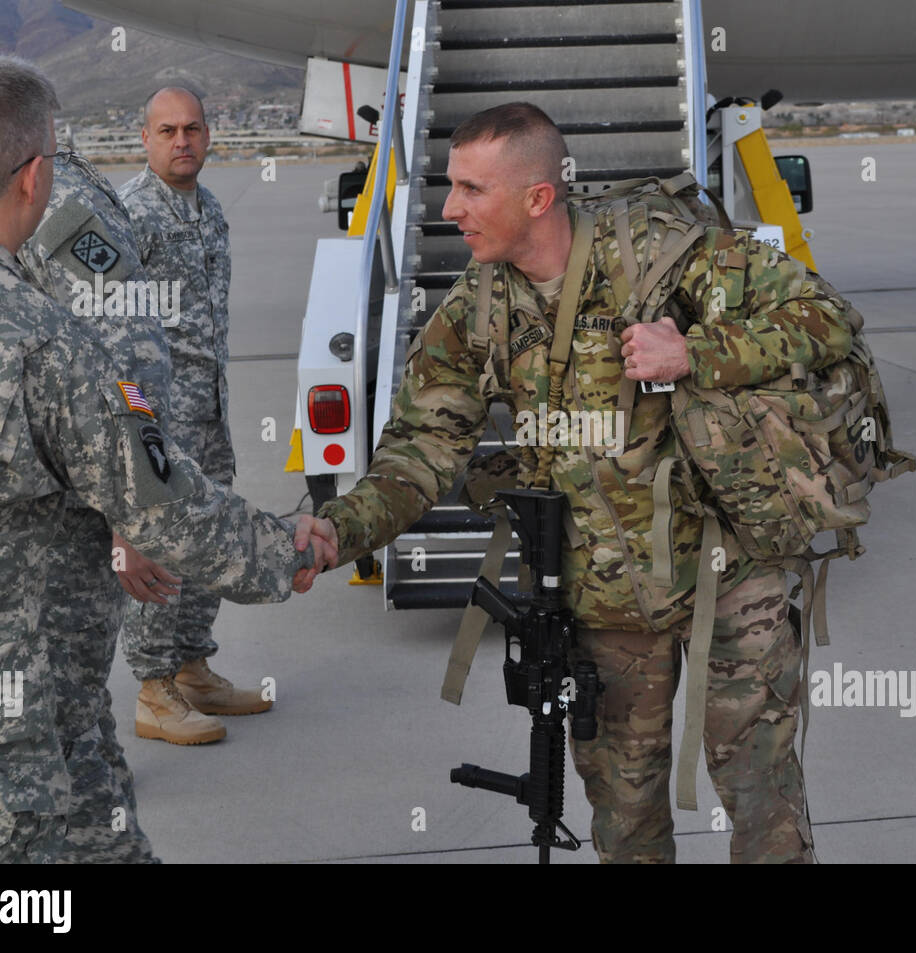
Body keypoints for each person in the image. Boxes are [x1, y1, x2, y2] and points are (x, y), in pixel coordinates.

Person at [310, 102, 854, 863]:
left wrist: (696, 351)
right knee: (624, 824)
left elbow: (825, 317)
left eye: (470, 188)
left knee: (764, 806)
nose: (449, 207)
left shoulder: (662, 253)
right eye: (450, 186)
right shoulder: (479, 308)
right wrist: (340, 528)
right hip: (605, 604)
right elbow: (422, 447)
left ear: (538, 198)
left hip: (732, 575)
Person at [0, 56, 335, 863]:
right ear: (35, 177)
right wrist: (291, 548)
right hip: (18, 740)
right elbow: (166, 504)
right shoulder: (41, 341)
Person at [16, 147, 179, 862]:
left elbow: (133, 359)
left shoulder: (45, 201)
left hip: (53, 541)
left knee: (60, 730)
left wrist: (131, 513)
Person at [118, 87, 265, 745]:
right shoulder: (130, 215)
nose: (183, 141)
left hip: (210, 411)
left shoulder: (208, 210)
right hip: (158, 422)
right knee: (163, 543)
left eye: (194, 129)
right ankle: (153, 691)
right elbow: (111, 331)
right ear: (145, 139)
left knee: (209, 536)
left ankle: (192, 667)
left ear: (209, 136)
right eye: (168, 130)